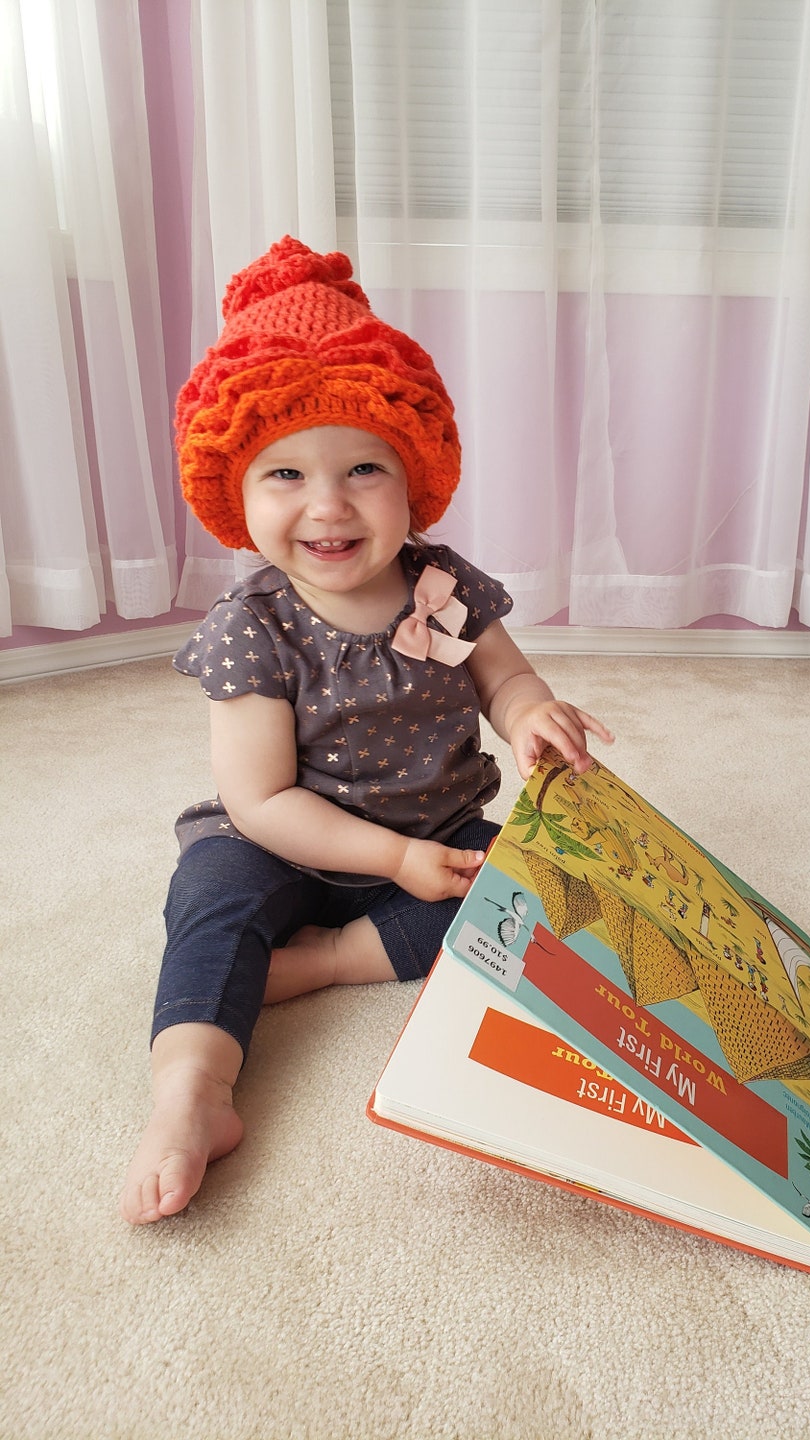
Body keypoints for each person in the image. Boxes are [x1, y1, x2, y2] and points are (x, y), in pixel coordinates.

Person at [120, 237, 612, 1225]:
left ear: (414, 474)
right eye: (286, 475)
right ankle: (193, 1090)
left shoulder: (442, 588)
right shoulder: (251, 631)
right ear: (237, 494)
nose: (329, 504)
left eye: (362, 468)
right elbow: (261, 799)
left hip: (433, 833)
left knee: (534, 896)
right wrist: (385, 857)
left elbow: (500, 673)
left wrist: (529, 716)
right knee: (212, 900)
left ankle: (323, 962)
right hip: (284, 840)